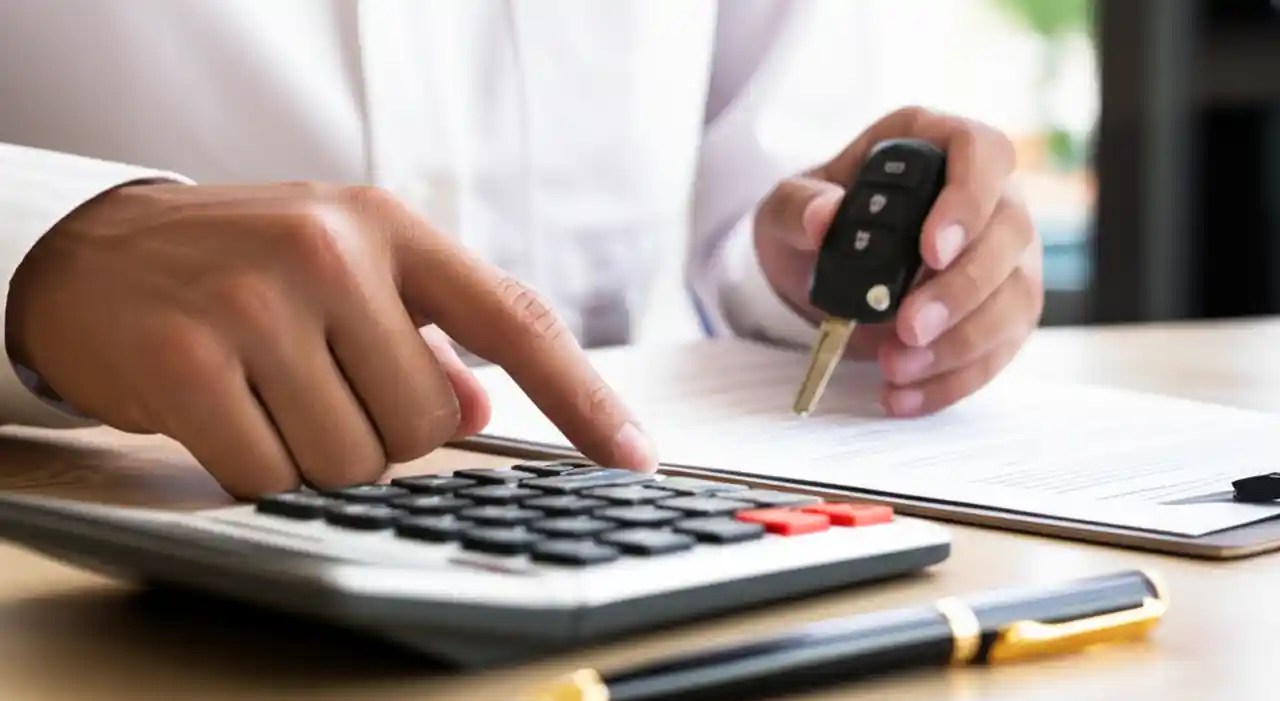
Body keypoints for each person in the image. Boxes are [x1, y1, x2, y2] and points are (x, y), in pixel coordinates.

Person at [0, 1, 1043, 499]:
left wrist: (802, 276)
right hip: (112, 522)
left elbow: (765, 186)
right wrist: (41, 246)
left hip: (664, 524)